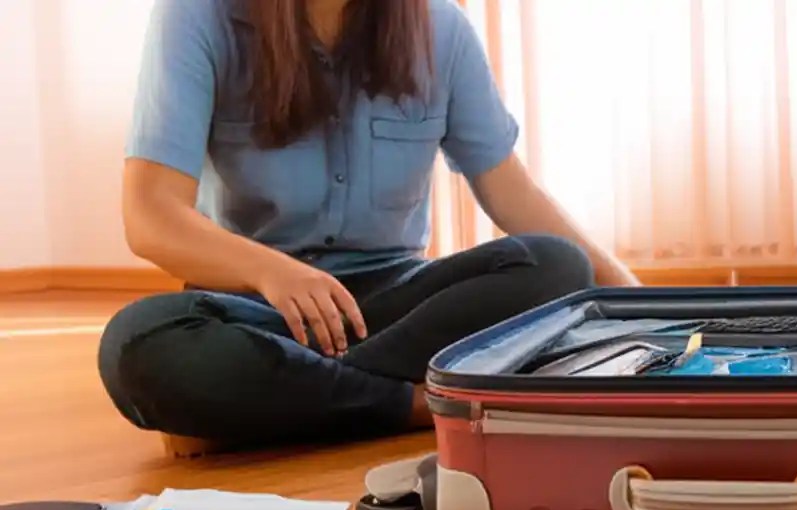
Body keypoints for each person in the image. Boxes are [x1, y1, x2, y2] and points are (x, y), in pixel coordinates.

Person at [99, 0, 639, 451]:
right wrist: (275, 274)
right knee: (137, 345)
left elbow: (511, 191)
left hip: (393, 308)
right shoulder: (198, 15)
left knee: (557, 264)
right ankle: (425, 401)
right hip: (258, 308)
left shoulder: (440, 27)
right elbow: (151, 216)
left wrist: (647, 305)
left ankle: (271, 403)